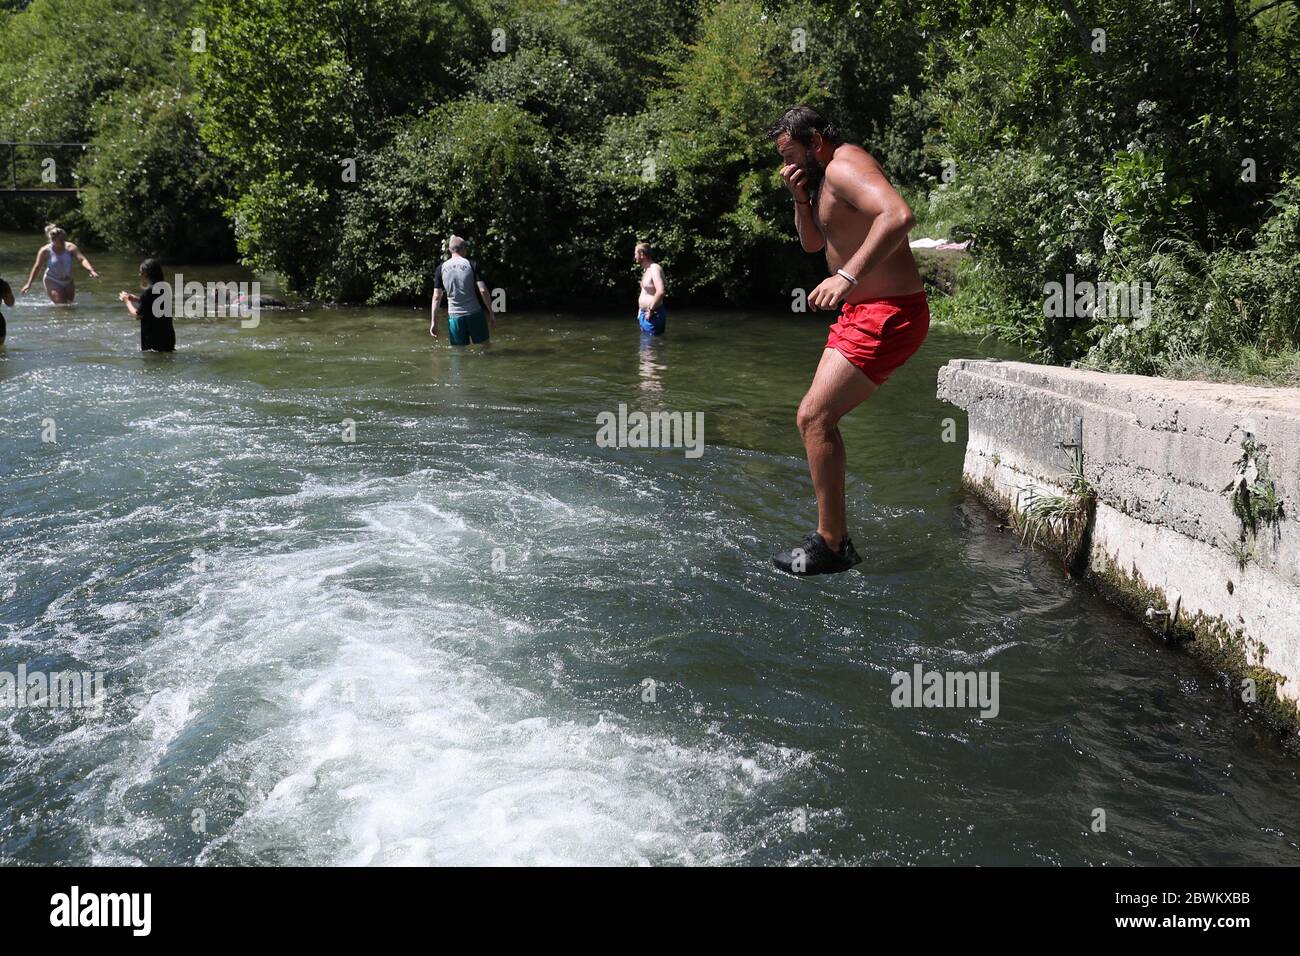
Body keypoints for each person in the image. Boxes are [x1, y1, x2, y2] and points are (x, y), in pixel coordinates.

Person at [768, 105, 929, 577]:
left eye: (790, 155)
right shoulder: (825, 179)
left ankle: (832, 544)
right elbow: (812, 244)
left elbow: (899, 215)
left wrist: (847, 276)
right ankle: (834, 539)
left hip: (888, 312)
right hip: (861, 312)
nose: (786, 165)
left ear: (816, 142)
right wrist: (800, 199)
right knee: (817, 418)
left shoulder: (845, 165)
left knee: (813, 417)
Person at [429, 235, 496, 346]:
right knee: (485, 347)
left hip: (454, 317)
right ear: (463, 249)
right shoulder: (472, 264)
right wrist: (491, 313)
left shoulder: (440, 268)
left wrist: (434, 322)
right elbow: (483, 290)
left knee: (458, 352)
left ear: (449, 249)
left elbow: (436, 297)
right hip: (474, 314)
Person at [20, 225, 98, 304]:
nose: (63, 242)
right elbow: (37, 267)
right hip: (52, 280)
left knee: (69, 304)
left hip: (68, 280)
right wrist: (29, 284)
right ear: (53, 240)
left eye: (64, 239)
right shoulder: (45, 251)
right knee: (61, 305)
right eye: (60, 240)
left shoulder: (70, 247)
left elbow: (82, 259)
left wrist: (91, 270)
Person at [118, 259, 176, 352]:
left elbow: (138, 315)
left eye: (141, 272)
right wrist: (137, 299)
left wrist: (127, 301)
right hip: (168, 339)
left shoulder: (149, 292)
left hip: (153, 341)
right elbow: (154, 304)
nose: (139, 275)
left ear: (146, 274)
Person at [634, 242, 666, 335]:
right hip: (644, 314)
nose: (635, 257)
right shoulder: (646, 270)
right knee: (645, 342)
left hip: (653, 314)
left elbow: (661, 291)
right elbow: (645, 292)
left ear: (642, 254)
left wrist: (651, 310)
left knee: (652, 342)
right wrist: (640, 311)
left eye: (635, 254)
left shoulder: (654, 269)